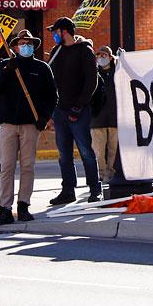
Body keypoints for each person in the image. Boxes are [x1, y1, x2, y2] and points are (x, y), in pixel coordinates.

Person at [0, 29, 57, 227]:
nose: (25, 46)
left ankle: (24, 205)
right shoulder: (5, 65)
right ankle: (5, 208)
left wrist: (44, 118)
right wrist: (7, 71)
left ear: (33, 46)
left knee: (27, 166)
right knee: (6, 166)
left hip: (30, 125)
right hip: (8, 124)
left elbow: (52, 96)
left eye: (28, 43)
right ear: (15, 47)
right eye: (21, 43)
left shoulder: (42, 68)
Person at [46, 16, 102, 204]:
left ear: (65, 32)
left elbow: (91, 81)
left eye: (56, 32)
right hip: (59, 111)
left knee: (86, 152)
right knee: (64, 155)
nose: (54, 35)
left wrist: (79, 106)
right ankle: (68, 191)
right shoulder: (56, 51)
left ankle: (95, 189)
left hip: (79, 111)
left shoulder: (84, 51)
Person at [90, 45, 119, 187]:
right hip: (97, 119)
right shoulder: (93, 73)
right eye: (99, 55)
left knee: (113, 149)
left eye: (104, 55)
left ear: (110, 57)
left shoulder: (118, 73)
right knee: (99, 151)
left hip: (115, 118)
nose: (101, 57)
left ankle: (111, 173)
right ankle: (102, 175)